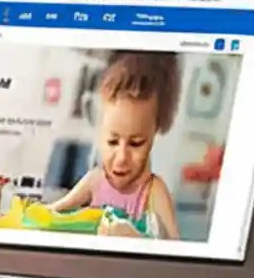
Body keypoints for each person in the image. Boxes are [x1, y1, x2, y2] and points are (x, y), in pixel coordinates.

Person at [47, 51, 183, 240]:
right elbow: (52, 212)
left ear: (155, 133)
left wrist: (139, 240)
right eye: (112, 142)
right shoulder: (94, 181)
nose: (121, 157)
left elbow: (177, 248)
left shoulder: (154, 191)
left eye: (136, 144)